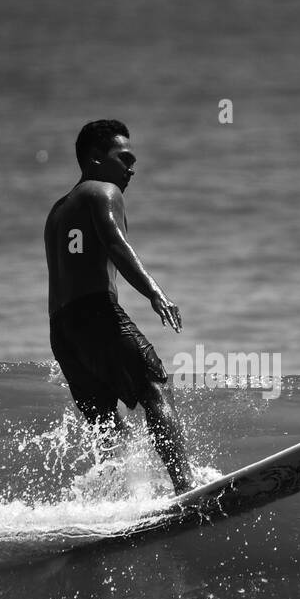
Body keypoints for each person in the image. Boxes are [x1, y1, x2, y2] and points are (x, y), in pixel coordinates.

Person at [43, 119, 194, 493]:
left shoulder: (57, 212)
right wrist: (155, 293)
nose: (131, 168)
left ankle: (119, 500)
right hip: (97, 314)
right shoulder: (104, 192)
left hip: (62, 330)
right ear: (95, 159)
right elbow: (115, 245)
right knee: (155, 387)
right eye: (123, 158)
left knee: (105, 422)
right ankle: (186, 486)